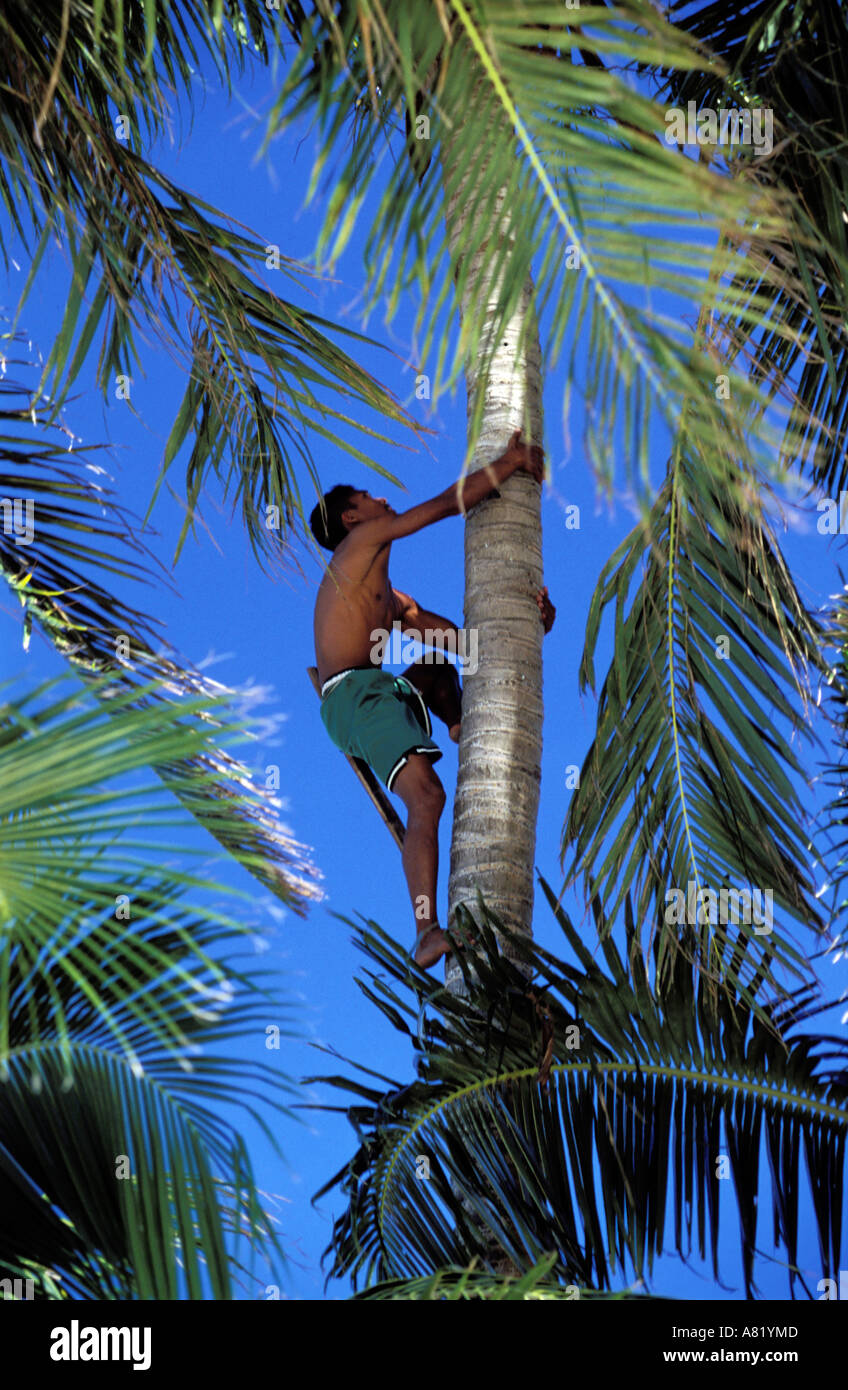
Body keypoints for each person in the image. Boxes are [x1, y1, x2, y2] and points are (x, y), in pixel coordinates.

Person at [309, 430, 556, 968]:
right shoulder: (356, 548)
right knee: (427, 798)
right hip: (354, 697)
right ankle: (425, 930)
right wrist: (509, 462)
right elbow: (444, 505)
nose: (380, 499)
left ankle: (462, 723)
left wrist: (527, 628)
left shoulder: (389, 599)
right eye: (369, 497)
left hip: (377, 690)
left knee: (439, 668)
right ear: (352, 518)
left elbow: (464, 644)